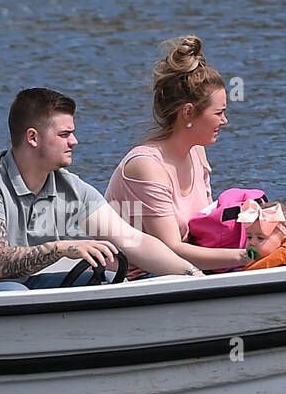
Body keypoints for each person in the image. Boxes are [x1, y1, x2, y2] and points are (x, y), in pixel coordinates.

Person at [0, 87, 203, 293]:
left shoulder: (68, 188)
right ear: (33, 138)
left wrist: (192, 276)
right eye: (64, 134)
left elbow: (133, 240)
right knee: (10, 293)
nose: (74, 142)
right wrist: (63, 248)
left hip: (14, 287)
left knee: (103, 281)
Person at [105, 36, 254, 277]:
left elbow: (202, 232)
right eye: (219, 113)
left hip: (184, 271)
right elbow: (171, 250)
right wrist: (248, 256)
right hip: (136, 279)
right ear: (188, 112)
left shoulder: (197, 151)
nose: (225, 121)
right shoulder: (146, 166)